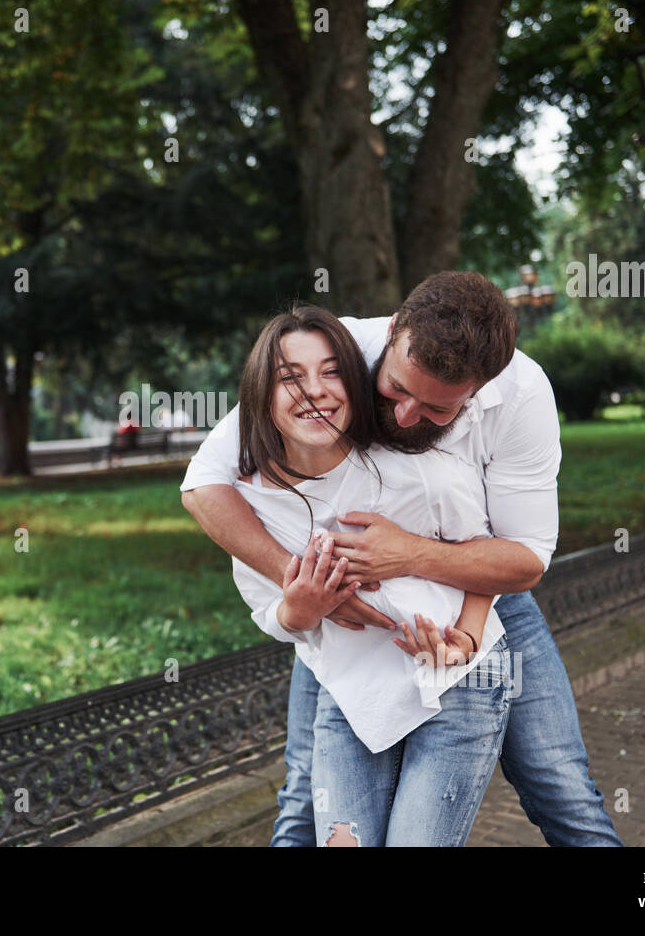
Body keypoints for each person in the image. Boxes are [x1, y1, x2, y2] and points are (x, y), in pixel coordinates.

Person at [181, 271, 621, 847]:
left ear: (478, 389)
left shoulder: (520, 399)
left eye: (438, 409)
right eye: (394, 390)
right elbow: (202, 485)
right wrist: (310, 590)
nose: (408, 416)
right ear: (391, 335)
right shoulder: (331, 360)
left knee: (557, 783)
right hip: (349, 633)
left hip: (478, 601)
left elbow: (522, 559)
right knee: (302, 803)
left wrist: (422, 572)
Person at [229, 305, 512, 845]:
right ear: (261, 391)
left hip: (458, 683)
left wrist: (466, 640)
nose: (315, 390)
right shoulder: (250, 507)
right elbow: (275, 615)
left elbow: (486, 554)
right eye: (291, 376)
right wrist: (305, 604)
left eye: (332, 371)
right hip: (356, 699)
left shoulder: (411, 469)